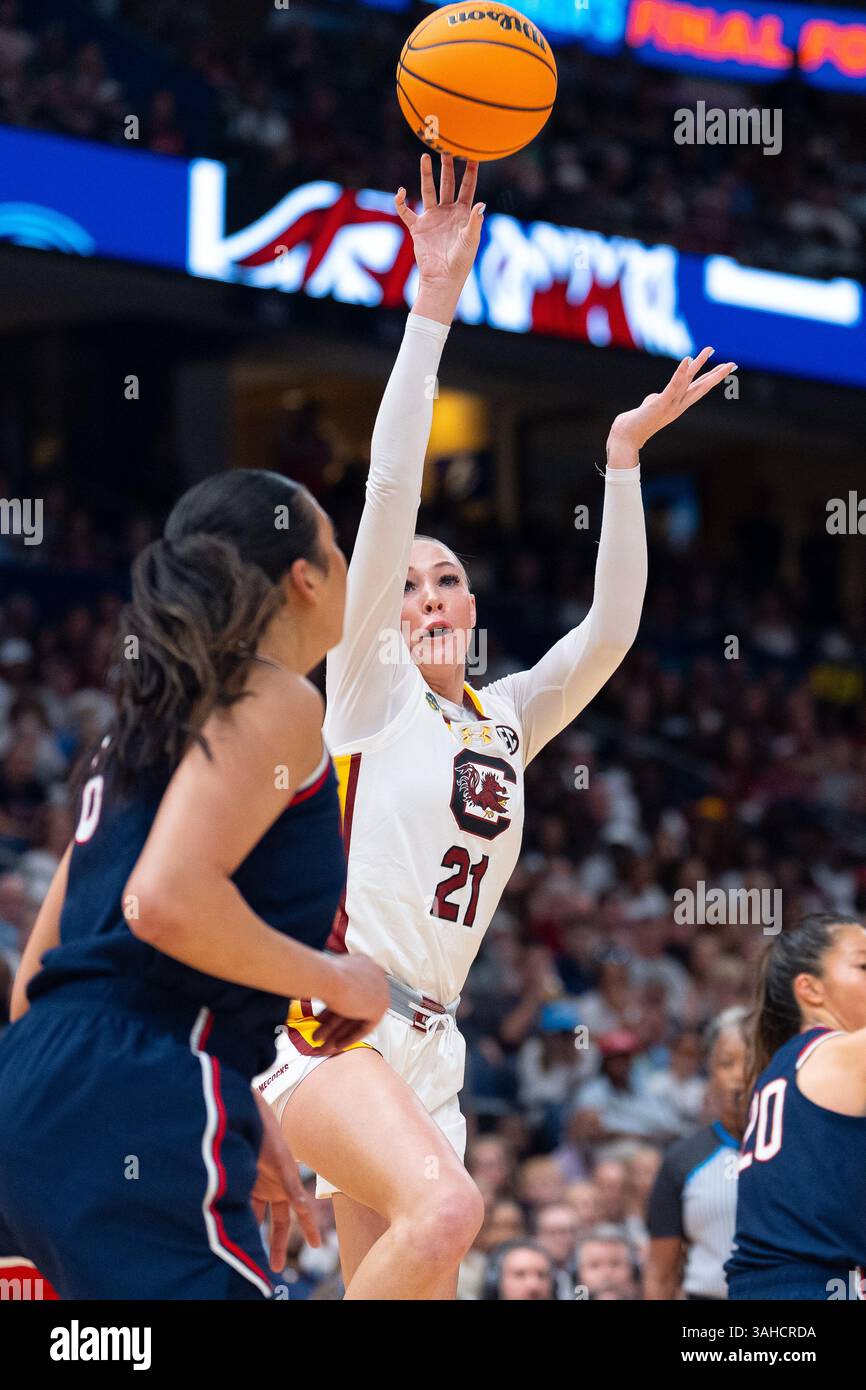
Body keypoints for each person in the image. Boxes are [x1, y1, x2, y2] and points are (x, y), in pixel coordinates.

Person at [257, 150, 736, 1300]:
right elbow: (387, 493)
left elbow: (609, 633)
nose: (424, 595)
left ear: (472, 607)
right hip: (334, 1022)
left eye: (445, 581)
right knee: (451, 1210)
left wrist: (620, 464)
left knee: (411, 1270)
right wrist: (431, 307)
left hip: (435, 1041)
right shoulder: (364, 694)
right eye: (407, 584)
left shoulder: (505, 716)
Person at [0, 471, 388, 1299]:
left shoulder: (136, 730)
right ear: (305, 577)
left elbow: (34, 985)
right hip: (140, 1086)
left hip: (34, 1087)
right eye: (339, 546)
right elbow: (165, 904)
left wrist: (229, 1097)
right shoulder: (277, 698)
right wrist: (339, 980)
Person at [725, 914, 866, 1301]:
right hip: (817, 1287)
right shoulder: (841, 1054)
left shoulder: (778, 1069)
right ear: (810, 989)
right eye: (864, 965)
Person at [645, 1006, 748, 1300]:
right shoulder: (682, 1159)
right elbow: (661, 1276)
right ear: (710, 1072)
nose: (739, 1078)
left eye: (752, 1062)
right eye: (726, 1063)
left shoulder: (800, 1151)